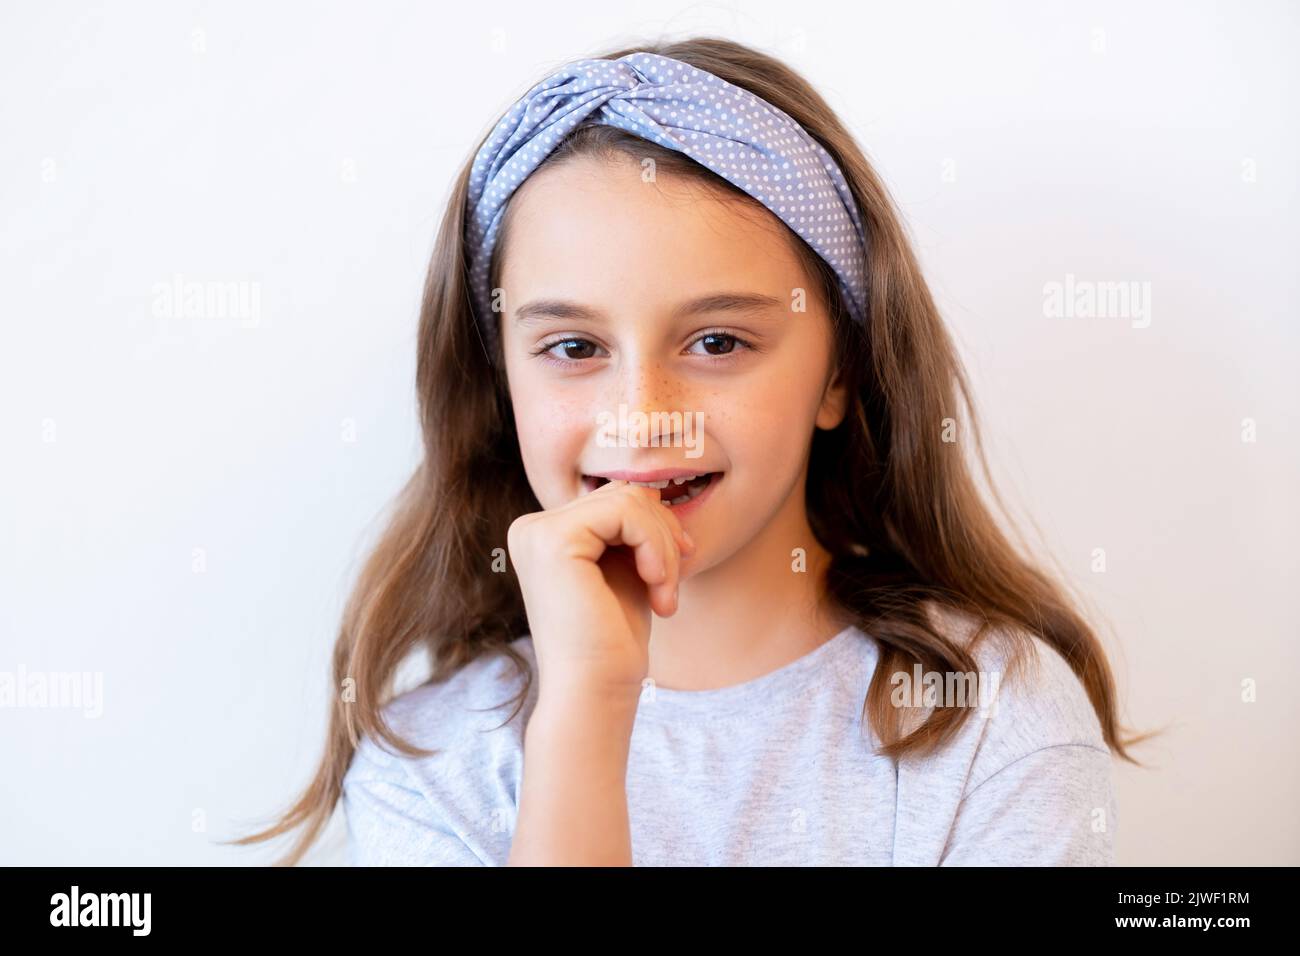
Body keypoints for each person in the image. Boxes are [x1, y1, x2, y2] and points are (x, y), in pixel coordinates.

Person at [232, 36, 1148, 867]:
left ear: (840, 373)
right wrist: (586, 717)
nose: (642, 419)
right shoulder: (429, 765)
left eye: (717, 343)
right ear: (501, 381)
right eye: (575, 349)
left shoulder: (991, 723)